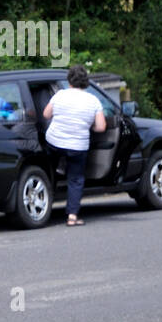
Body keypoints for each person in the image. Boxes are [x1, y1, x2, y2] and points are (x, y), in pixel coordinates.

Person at [43, 64, 106, 226]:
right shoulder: (93, 101)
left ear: (69, 80)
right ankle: (72, 217)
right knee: (76, 180)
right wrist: (88, 125)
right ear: (85, 82)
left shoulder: (60, 95)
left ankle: (44, 205)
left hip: (55, 142)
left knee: (49, 172)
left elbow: (45, 114)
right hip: (77, 146)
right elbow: (101, 127)